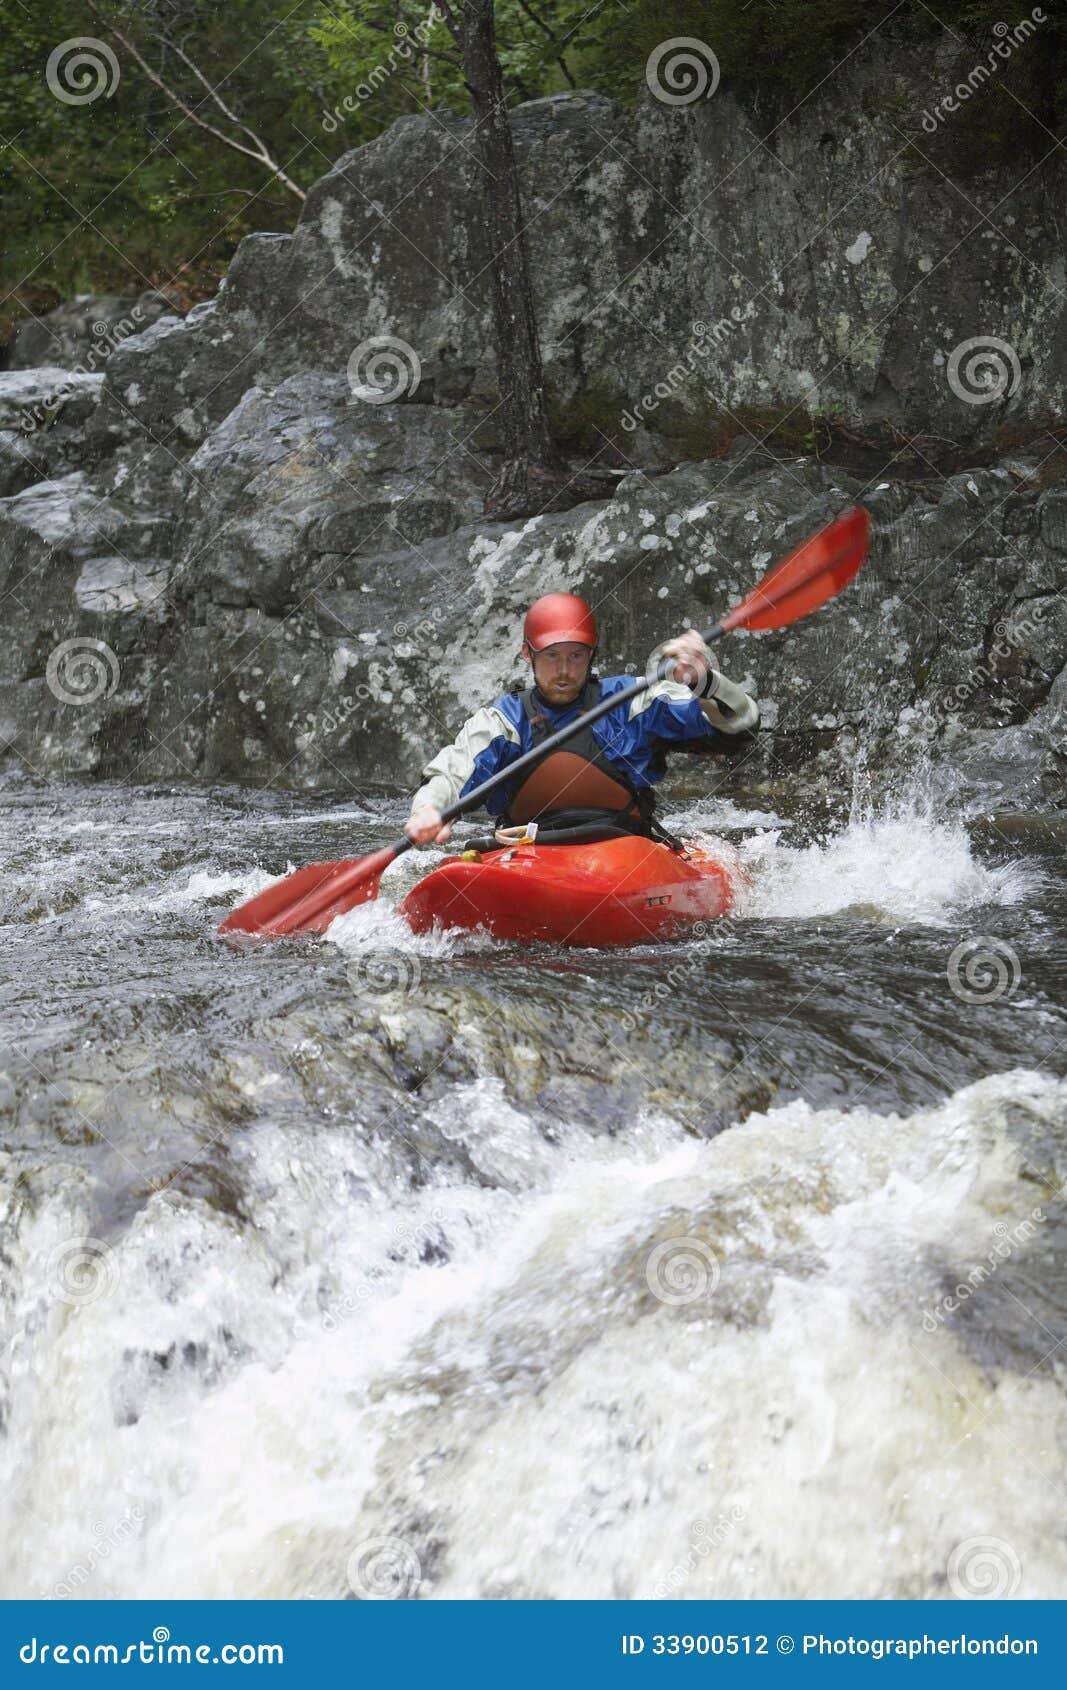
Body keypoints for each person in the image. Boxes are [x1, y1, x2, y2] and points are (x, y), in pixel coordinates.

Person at [404, 592, 760, 847]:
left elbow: (740, 728)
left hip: (624, 848)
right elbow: (452, 772)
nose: (564, 670)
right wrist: (427, 810)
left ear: (592, 655)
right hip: (529, 852)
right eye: (552, 656)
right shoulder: (503, 722)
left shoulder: (634, 701)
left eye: (576, 656)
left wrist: (703, 680)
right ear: (527, 654)